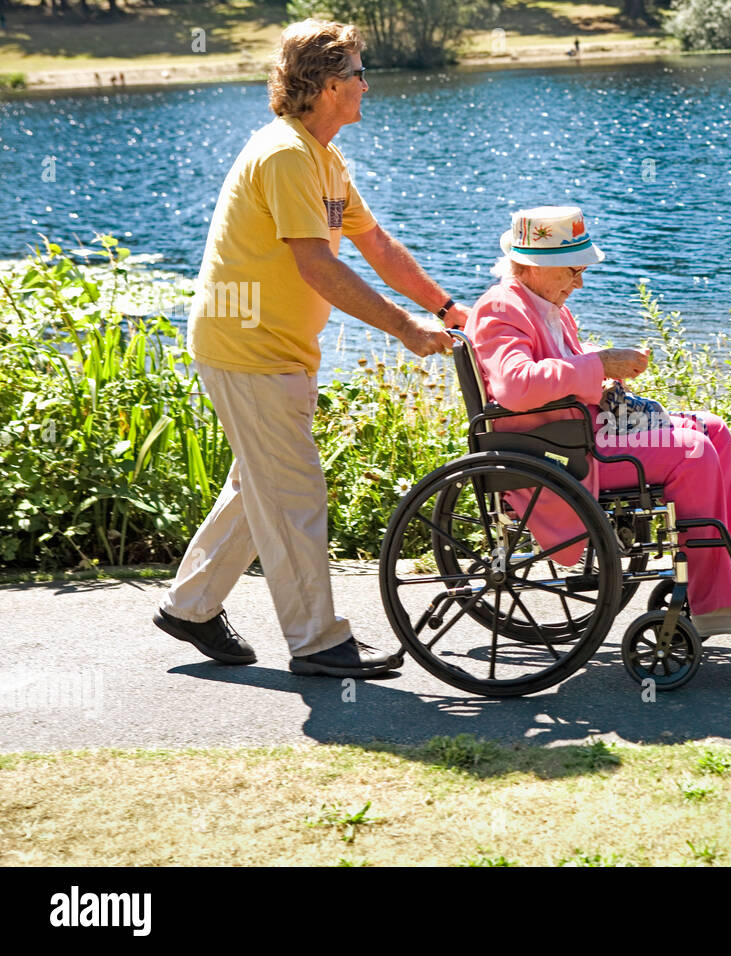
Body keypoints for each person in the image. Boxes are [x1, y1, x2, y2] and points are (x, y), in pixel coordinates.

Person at [154, 20, 468, 679]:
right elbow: (317, 267)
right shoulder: (287, 155)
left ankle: (191, 606)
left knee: (260, 485)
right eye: (356, 72)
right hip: (248, 350)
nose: (365, 84)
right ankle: (319, 643)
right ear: (327, 86)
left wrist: (442, 306)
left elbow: (376, 246)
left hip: (274, 351)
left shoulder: (321, 156)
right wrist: (405, 330)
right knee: (293, 493)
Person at [467, 206, 731, 637]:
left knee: (712, 427)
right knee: (693, 453)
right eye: (572, 270)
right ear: (533, 266)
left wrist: (603, 368)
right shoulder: (500, 307)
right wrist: (599, 364)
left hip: (583, 432)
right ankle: (713, 604)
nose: (579, 282)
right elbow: (515, 386)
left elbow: (558, 368)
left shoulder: (545, 305)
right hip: (560, 450)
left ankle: (719, 578)